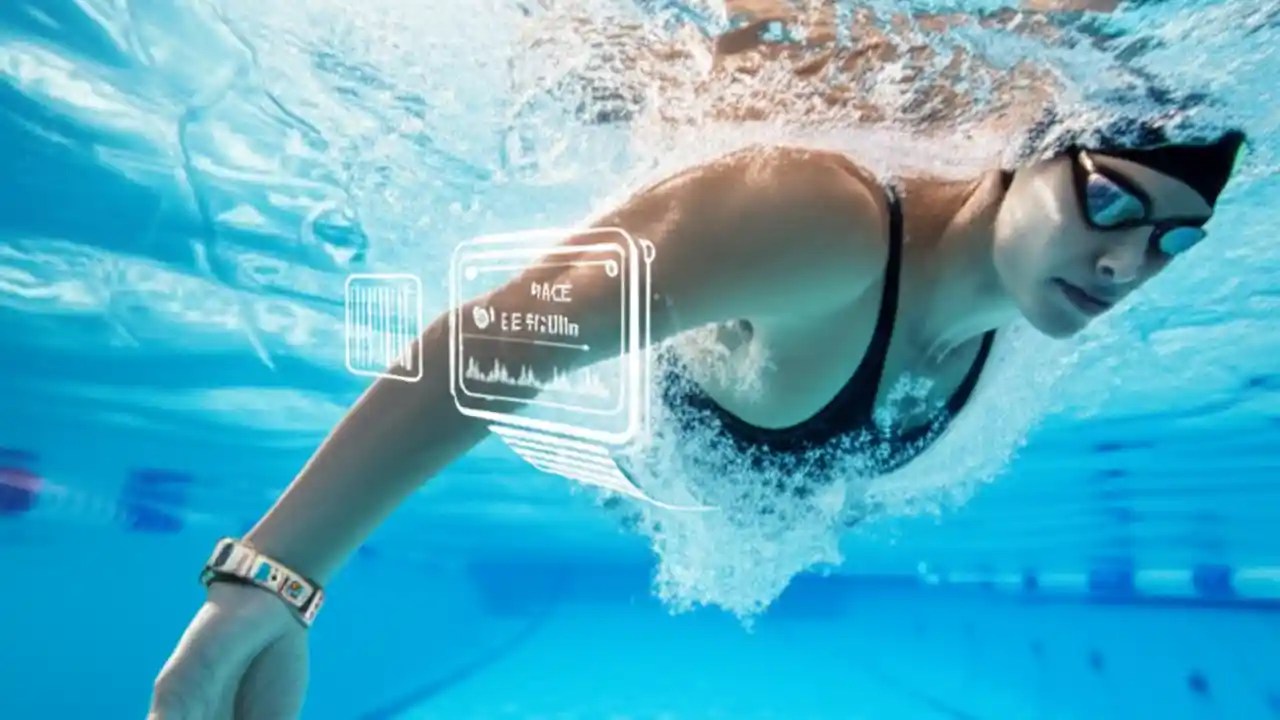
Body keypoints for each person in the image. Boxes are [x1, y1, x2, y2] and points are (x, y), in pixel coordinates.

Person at [147, 8, 1248, 720]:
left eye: (1173, 240)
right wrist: (270, 585)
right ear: (1020, 149)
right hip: (625, 449)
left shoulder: (1025, 307)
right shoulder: (819, 223)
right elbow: (493, 343)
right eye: (1109, 199)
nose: (1127, 263)